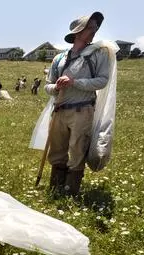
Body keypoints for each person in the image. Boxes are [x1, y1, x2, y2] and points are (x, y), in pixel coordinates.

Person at [44, 11, 110, 196]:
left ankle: (70, 191)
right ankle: (55, 188)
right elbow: (47, 87)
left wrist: (74, 83)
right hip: (59, 111)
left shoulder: (99, 54)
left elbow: (102, 81)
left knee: (77, 150)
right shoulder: (59, 58)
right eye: (90, 26)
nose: (94, 30)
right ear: (78, 32)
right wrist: (56, 87)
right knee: (57, 151)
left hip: (82, 110)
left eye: (96, 27)